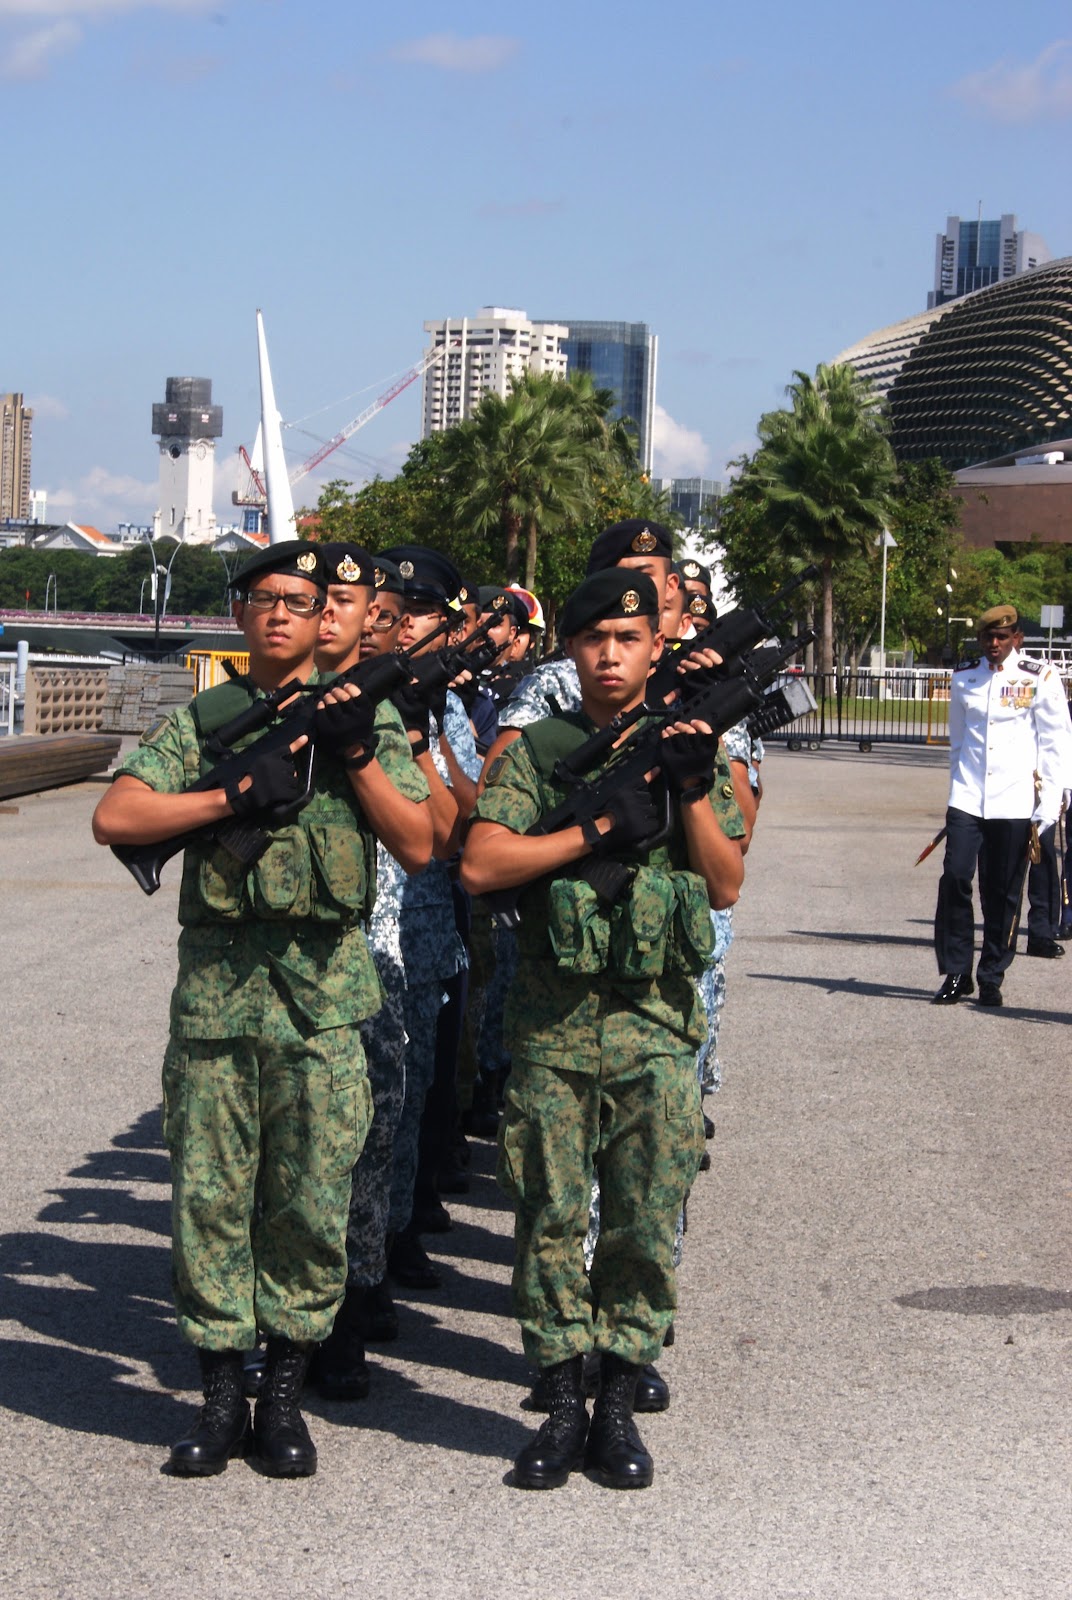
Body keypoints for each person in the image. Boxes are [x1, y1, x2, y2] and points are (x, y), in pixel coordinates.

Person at [91, 539, 432, 1477]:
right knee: (208, 1202)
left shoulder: (368, 717)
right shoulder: (208, 718)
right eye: (264, 599)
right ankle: (216, 1400)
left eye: (301, 600)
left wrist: (354, 747)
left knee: (311, 1204)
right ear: (242, 616)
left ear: (330, 618)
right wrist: (230, 792)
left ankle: (282, 1398)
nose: (282, 614)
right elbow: (118, 818)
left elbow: (419, 840)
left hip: (324, 1006)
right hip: (218, 1005)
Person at [462, 569, 745, 1491]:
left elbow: (726, 881)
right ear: (572, 650)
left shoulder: (685, 744)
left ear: (656, 647)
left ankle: (619, 1400)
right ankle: (562, 1400)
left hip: (659, 1028)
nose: (612, 655)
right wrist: (589, 832)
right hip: (552, 1026)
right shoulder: (539, 749)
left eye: (630, 639)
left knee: (641, 1220)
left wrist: (693, 790)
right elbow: (484, 863)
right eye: (595, 641)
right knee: (547, 1214)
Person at [933, 604, 1072, 1007]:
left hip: (1013, 800)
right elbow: (958, 742)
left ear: (1016, 638)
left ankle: (991, 973)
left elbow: (1055, 743)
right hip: (968, 797)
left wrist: (1050, 801)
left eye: (1001, 637)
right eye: (987, 637)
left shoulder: (1039, 678)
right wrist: (955, 791)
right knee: (956, 877)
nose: (993, 644)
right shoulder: (964, 678)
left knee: (1002, 891)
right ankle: (957, 971)